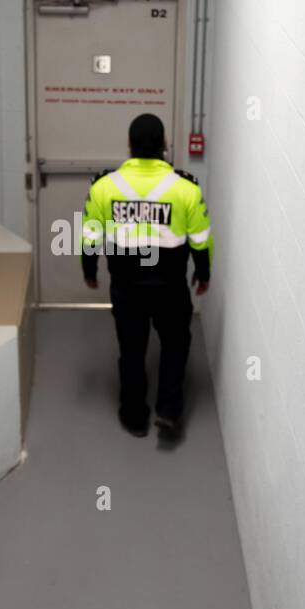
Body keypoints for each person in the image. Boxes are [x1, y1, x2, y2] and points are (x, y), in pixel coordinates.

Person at [80, 114, 213, 442]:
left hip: (127, 286)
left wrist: (89, 270)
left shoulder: (104, 187)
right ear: (164, 145)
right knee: (175, 344)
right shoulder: (185, 188)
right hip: (170, 286)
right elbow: (201, 238)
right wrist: (204, 272)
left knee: (132, 349)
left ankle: (134, 416)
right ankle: (168, 409)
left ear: (129, 145)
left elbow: (89, 235)